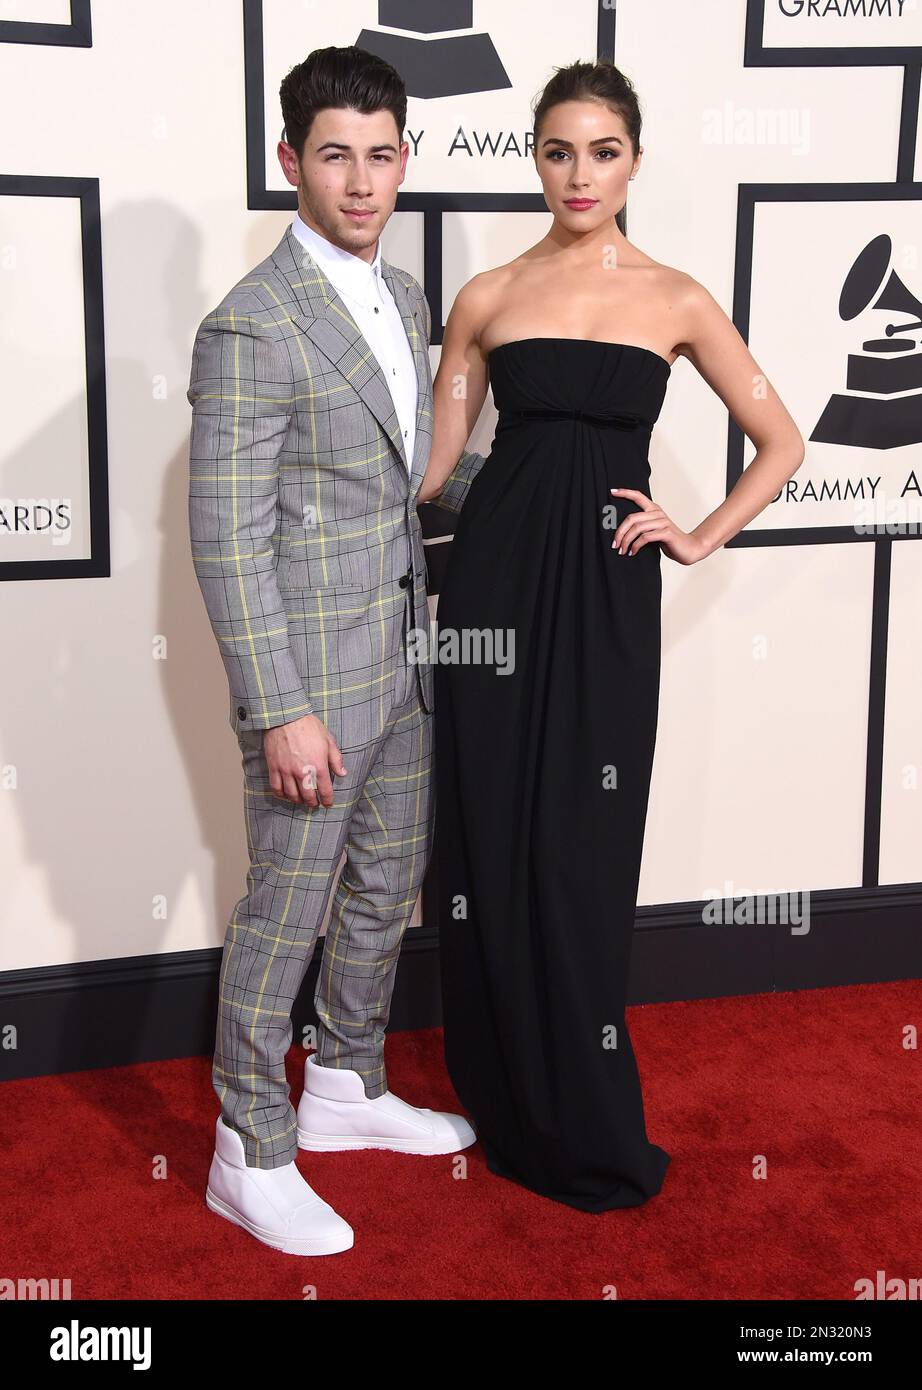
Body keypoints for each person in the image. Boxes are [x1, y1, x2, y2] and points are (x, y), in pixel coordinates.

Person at [418, 60, 805, 1212]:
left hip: (603, 587)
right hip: (490, 586)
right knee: (487, 827)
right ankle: (498, 1089)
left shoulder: (678, 298)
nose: (578, 173)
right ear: (531, 159)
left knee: (580, 841)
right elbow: (437, 473)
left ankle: (582, 1108)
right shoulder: (486, 294)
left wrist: (697, 533)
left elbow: (781, 441)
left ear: (633, 161)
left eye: (602, 151)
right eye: (556, 151)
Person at [187, 45, 476, 1258]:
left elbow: (402, 485)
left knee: (380, 888)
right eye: (334, 156)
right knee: (286, 908)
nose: (361, 182)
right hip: (308, 681)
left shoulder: (404, 297)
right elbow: (224, 536)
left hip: (400, 661)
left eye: (381, 154)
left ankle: (345, 1083)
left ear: (404, 156)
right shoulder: (251, 325)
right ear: (290, 161)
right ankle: (245, 1148)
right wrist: (277, 709)